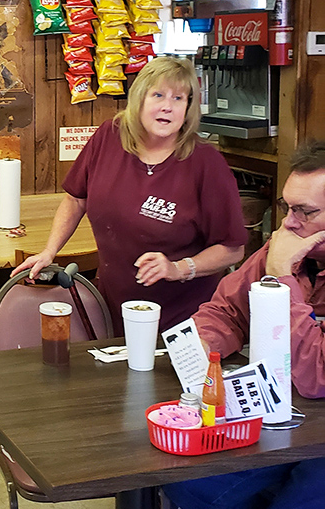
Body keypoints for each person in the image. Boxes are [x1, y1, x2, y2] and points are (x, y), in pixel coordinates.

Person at [165, 139, 325, 509]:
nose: (289, 223)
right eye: (286, 207)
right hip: (292, 427)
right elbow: (227, 309)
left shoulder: (284, 258)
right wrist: (199, 357)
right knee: (189, 482)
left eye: (306, 212)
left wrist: (281, 281)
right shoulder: (291, 248)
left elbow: (317, 375)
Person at [17, 56, 246, 331]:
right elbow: (76, 199)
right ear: (139, 99)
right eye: (158, 95)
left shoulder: (206, 164)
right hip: (113, 309)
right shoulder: (108, 137)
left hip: (183, 319)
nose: (167, 107)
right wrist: (49, 251)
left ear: (189, 108)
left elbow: (232, 249)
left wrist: (178, 268)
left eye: (178, 99)